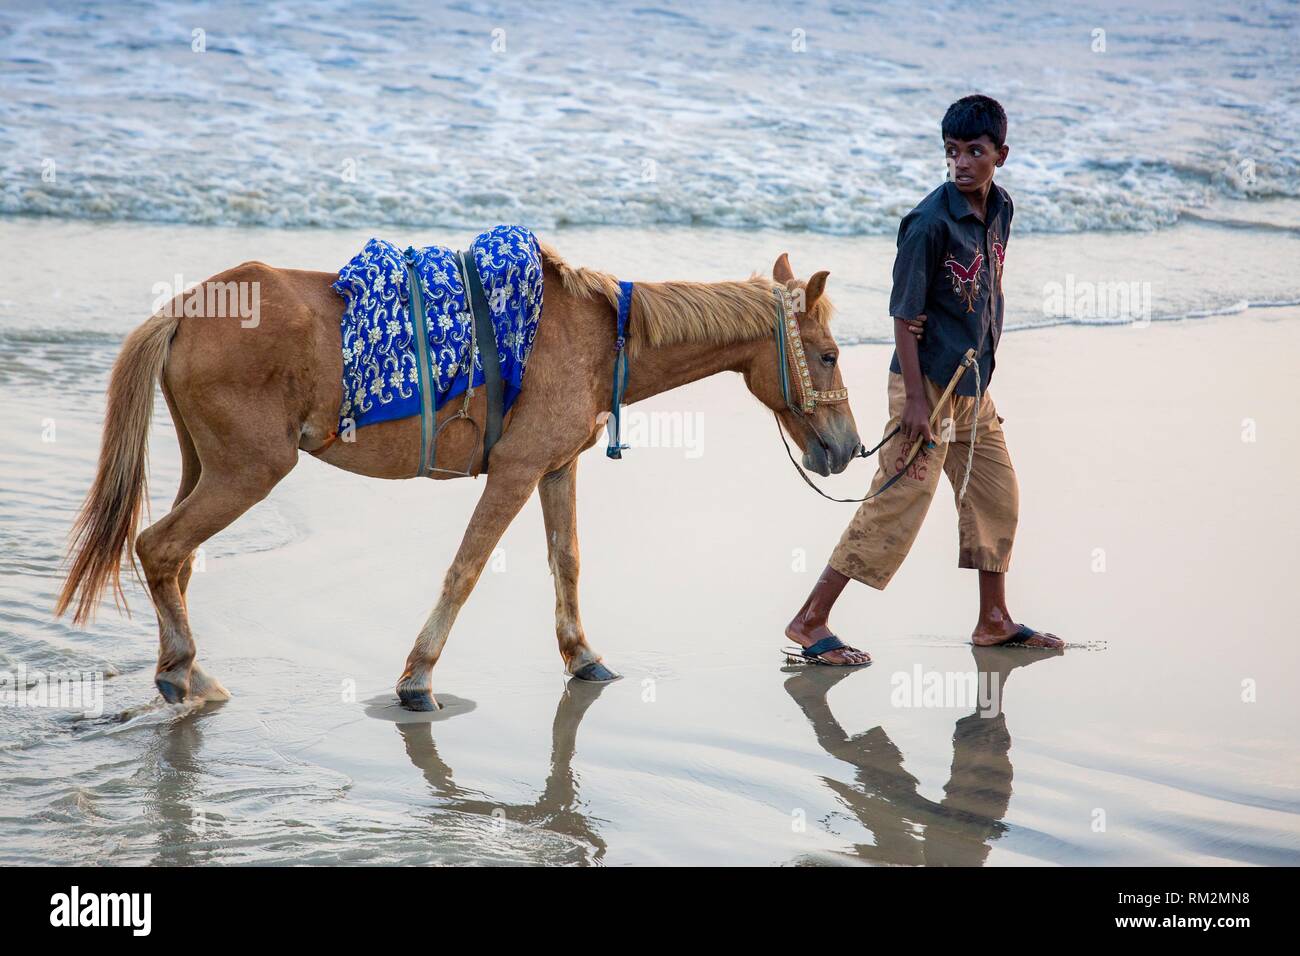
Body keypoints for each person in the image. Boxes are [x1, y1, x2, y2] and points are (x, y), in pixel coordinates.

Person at [784, 94, 1063, 666]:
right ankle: (811, 620)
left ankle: (993, 620)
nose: (962, 163)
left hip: (972, 388)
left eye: (974, 152)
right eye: (952, 152)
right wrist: (914, 400)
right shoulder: (928, 225)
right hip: (926, 389)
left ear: (1000, 155)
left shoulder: (1001, 210)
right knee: (899, 502)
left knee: (996, 494)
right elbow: (904, 317)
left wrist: (982, 374)